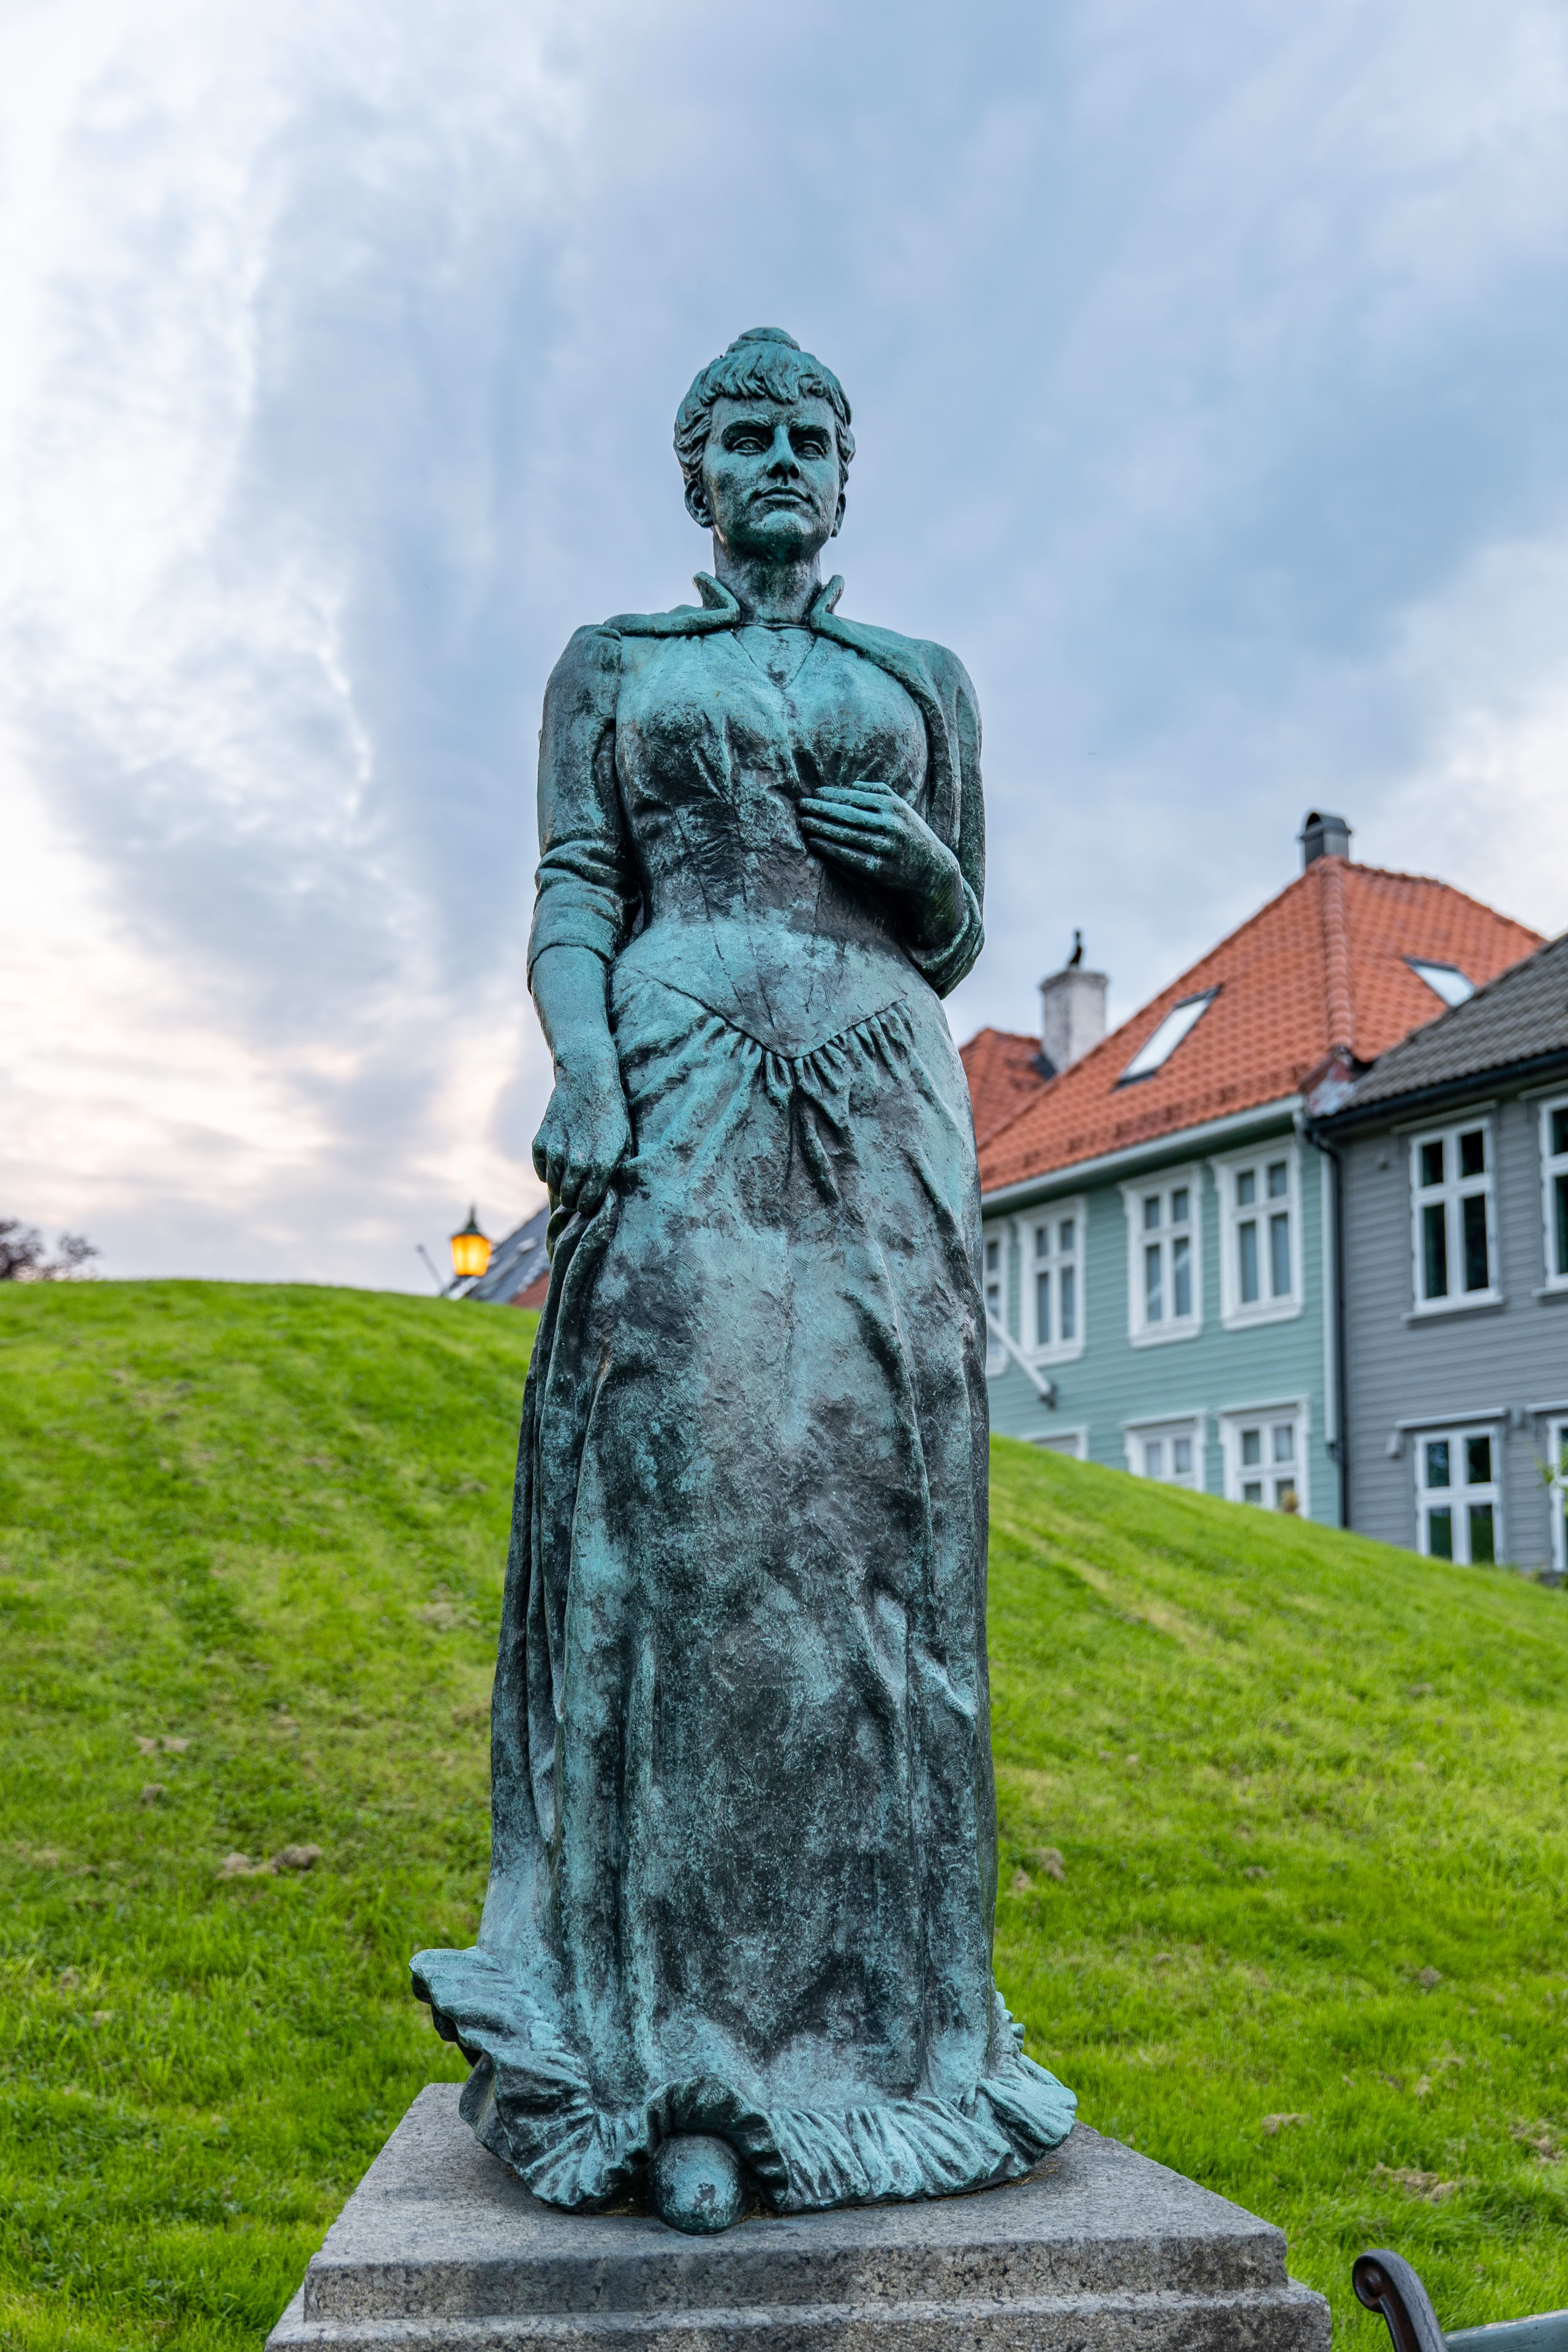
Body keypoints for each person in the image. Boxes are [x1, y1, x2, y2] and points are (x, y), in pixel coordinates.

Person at [412, 328, 1074, 2233]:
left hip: (880, 1100)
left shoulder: (920, 678)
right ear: (695, 476)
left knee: (881, 1545)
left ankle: (889, 2052)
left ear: (847, 476)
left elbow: (962, 935)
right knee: (687, 1533)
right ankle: (663, 2055)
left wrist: (925, 871)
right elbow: (572, 885)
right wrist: (586, 1063)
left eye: (812, 435)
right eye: (746, 435)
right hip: (681, 1068)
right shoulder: (616, 664)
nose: (781, 457)